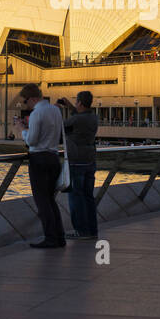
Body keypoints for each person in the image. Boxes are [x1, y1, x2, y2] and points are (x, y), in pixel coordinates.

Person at [16, 83, 65, 248]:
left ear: (32, 98)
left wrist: (22, 129)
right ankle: (59, 236)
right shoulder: (55, 110)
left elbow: (32, 140)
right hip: (53, 157)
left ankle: (51, 238)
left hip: (39, 159)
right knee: (50, 200)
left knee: (42, 201)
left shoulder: (37, 113)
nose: (25, 105)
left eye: (25, 101)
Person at [61, 90, 99, 240]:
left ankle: (81, 231)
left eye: (76, 102)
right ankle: (92, 230)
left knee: (76, 197)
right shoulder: (93, 117)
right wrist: (71, 107)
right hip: (90, 160)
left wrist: (57, 108)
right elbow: (80, 116)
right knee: (88, 197)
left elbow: (61, 125)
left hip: (76, 161)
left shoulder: (76, 121)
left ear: (80, 103)